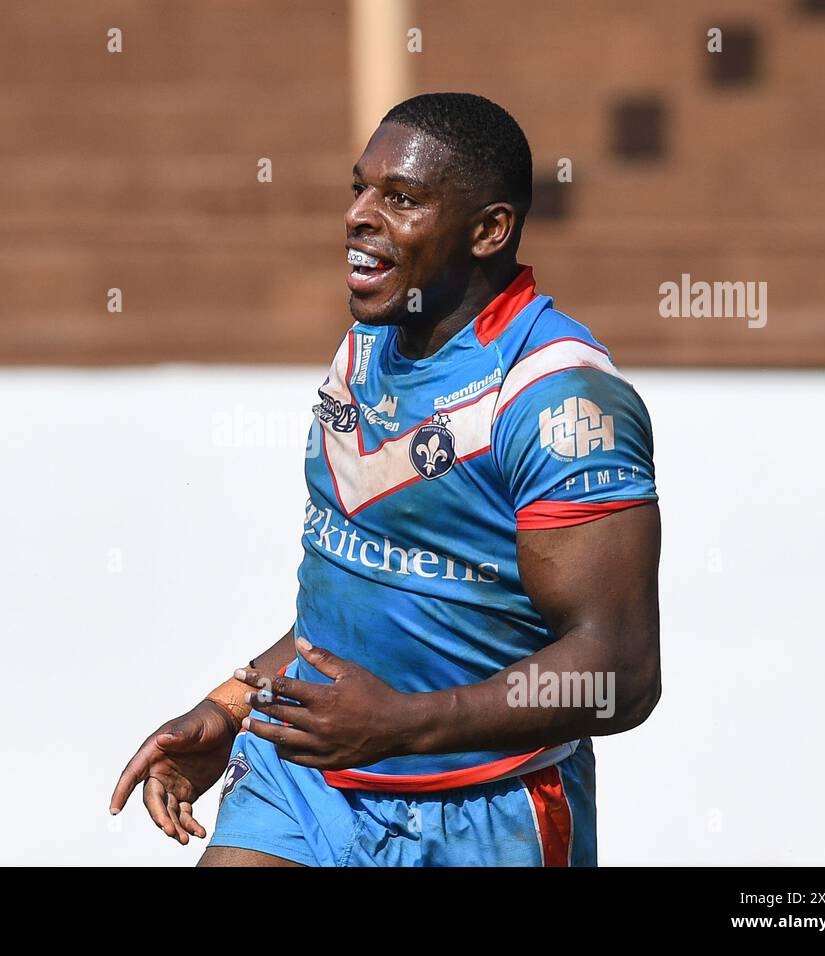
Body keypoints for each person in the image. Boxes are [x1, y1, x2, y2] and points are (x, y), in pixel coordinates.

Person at [111, 92, 662, 866]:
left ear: (489, 229)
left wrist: (404, 725)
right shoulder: (367, 347)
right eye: (359, 189)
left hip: (483, 806)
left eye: (400, 199)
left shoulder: (557, 398)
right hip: (308, 782)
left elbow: (623, 672)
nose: (359, 216)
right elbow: (365, 591)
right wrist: (234, 705)